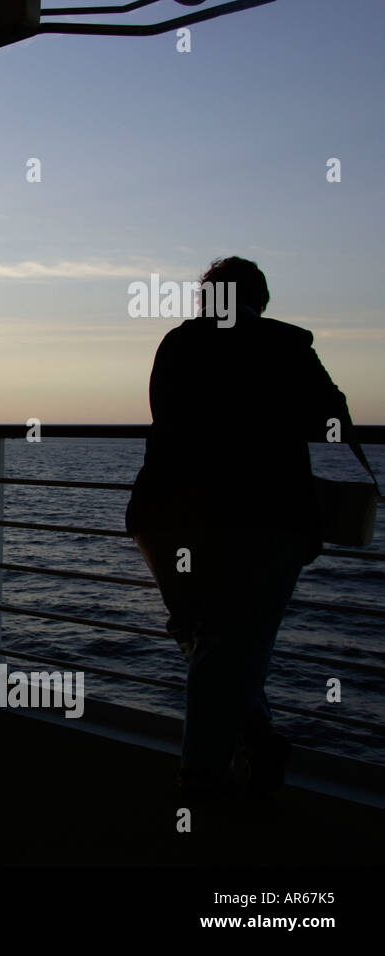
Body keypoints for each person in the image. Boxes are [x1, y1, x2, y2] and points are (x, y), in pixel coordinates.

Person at [126, 256, 358, 799]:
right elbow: (332, 422)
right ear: (261, 298)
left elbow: (168, 416)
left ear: (208, 299)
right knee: (230, 644)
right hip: (265, 518)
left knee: (205, 638)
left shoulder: (179, 344)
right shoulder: (286, 346)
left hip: (171, 515)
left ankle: (245, 749)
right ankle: (205, 776)